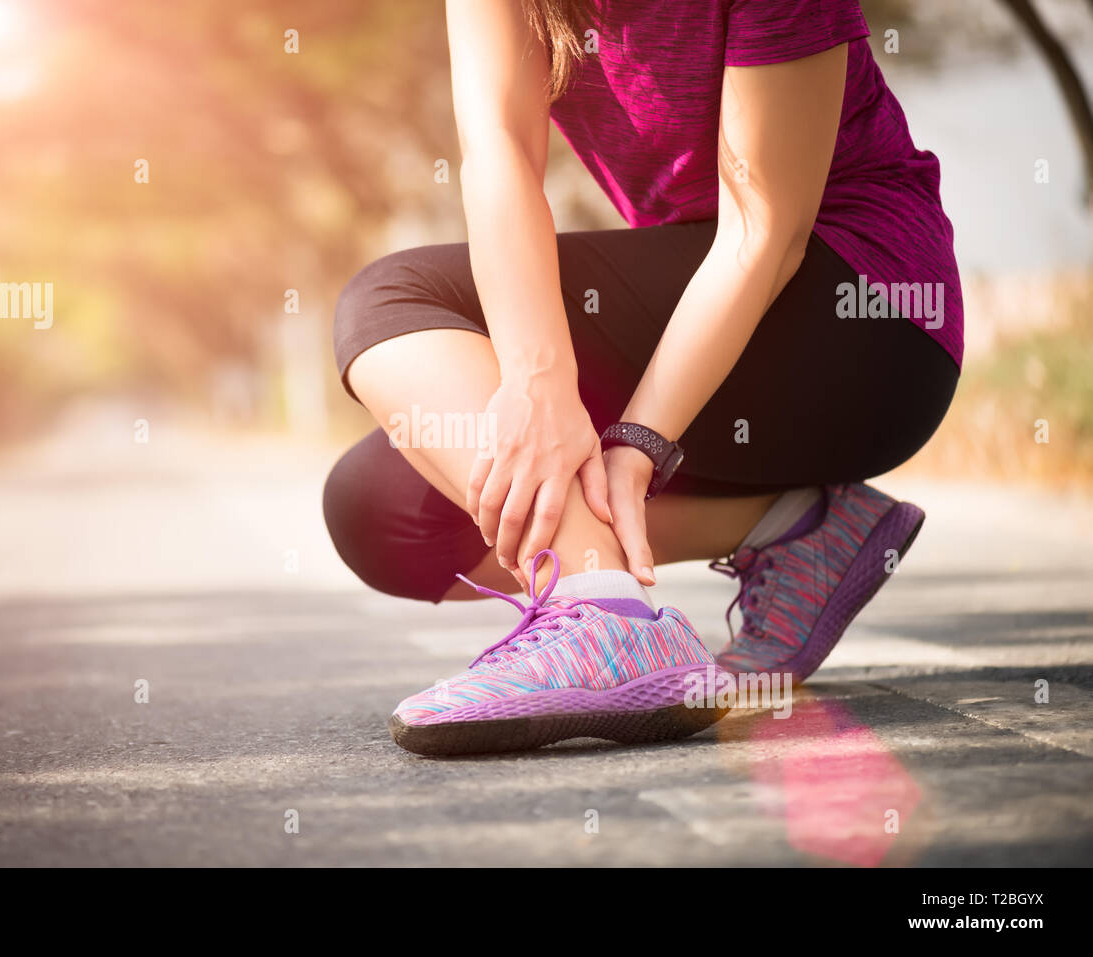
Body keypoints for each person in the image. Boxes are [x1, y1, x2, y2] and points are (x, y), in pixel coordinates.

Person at [323, 0, 961, 756]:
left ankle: (604, 617)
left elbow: (764, 230)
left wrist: (639, 439)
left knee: (391, 298)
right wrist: (540, 386)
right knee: (385, 509)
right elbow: (499, 150)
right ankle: (798, 528)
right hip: (711, 305)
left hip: (866, 317)